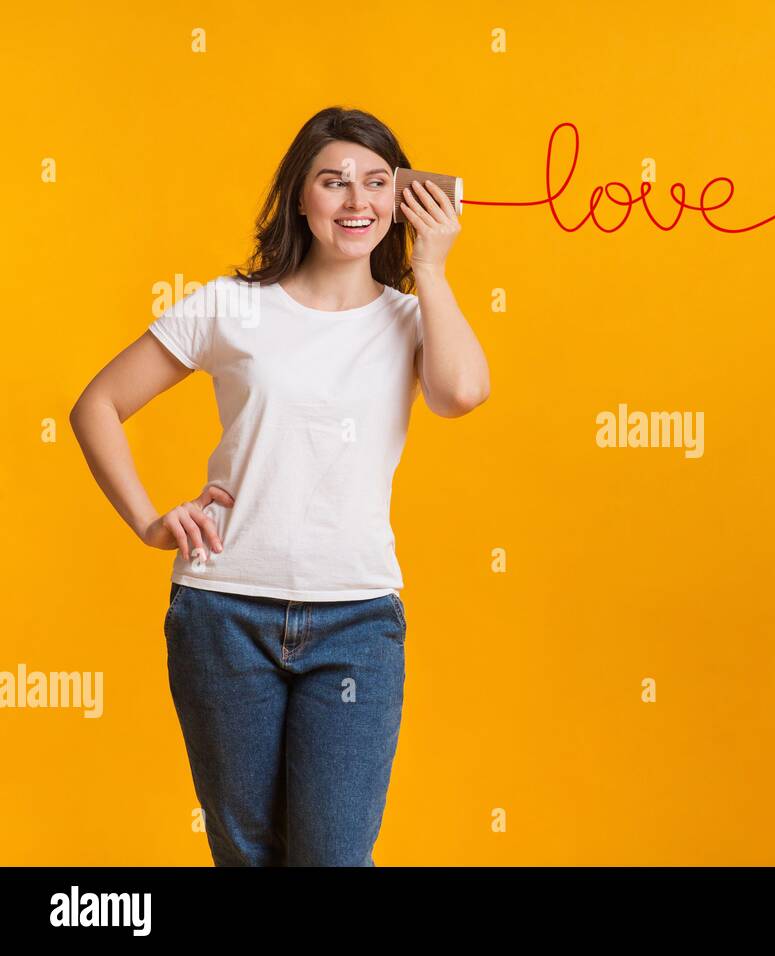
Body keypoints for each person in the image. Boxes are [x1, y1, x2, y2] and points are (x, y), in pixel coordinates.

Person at [69, 106, 489, 865]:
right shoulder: (232, 306)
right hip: (222, 613)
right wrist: (148, 520)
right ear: (301, 197)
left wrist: (430, 265)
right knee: (247, 853)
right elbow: (97, 405)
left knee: (332, 856)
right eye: (333, 182)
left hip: (356, 624)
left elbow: (460, 393)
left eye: (375, 183)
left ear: (401, 198)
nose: (356, 201)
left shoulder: (411, 315)